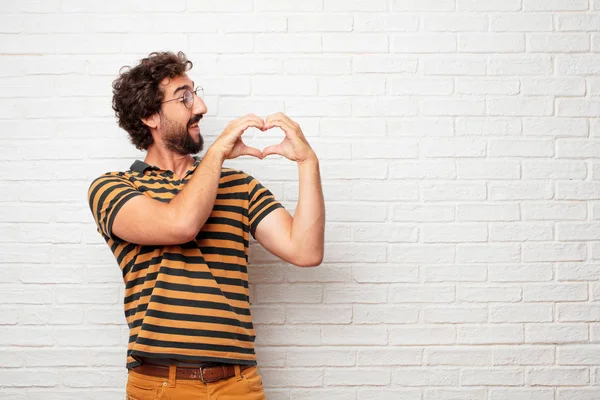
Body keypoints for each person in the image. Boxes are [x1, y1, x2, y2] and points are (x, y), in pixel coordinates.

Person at [87, 51, 325, 400]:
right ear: (150, 116)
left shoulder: (238, 186)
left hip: (238, 385)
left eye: (195, 93)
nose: (201, 106)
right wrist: (216, 153)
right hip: (160, 387)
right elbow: (181, 225)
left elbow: (305, 251)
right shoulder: (113, 187)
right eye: (184, 97)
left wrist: (308, 162)